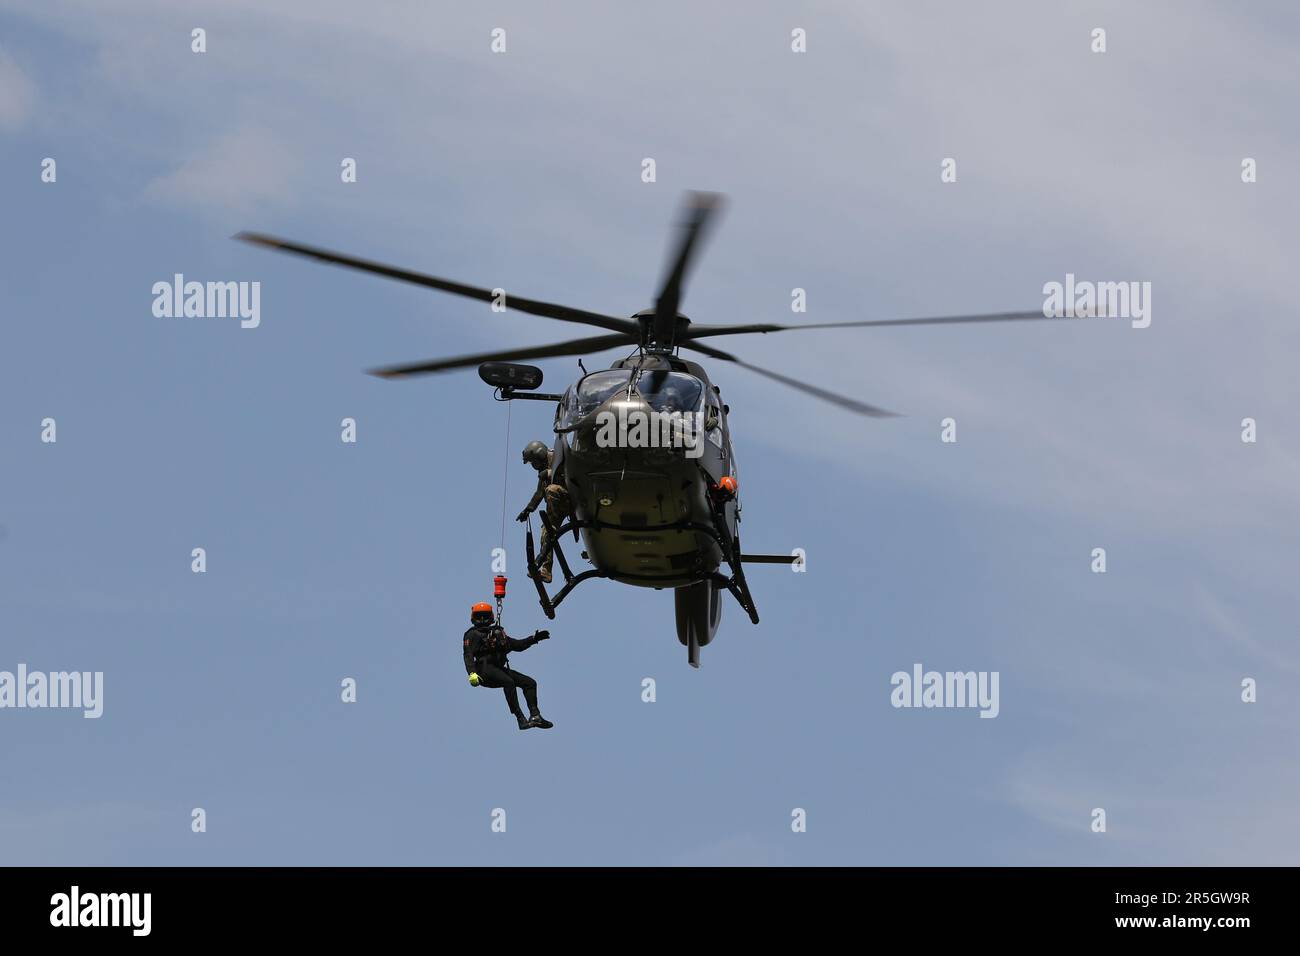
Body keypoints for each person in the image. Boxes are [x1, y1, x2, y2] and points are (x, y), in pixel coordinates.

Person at [463, 602, 554, 730]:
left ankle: (535, 716)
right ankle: (520, 718)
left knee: (529, 683)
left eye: (485, 616)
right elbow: (468, 655)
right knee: (509, 682)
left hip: (498, 669)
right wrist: (471, 673)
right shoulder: (472, 634)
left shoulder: (498, 632)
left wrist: (533, 639)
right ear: (474, 618)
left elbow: (517, 645)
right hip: (484, 671)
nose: (482, 619)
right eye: (480, 616)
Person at [516, 440, 570, 584]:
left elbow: (573, 472)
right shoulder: (543, 470)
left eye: (533, 462)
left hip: (572, 498)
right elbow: (539, 493)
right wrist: (527, 510)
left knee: (551, 489)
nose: (533, 466)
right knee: (546, 532)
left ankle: (542, 560)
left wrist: (551, 472)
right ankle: (546, 571)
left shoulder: (559, 457)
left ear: (539, 455)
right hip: (558, 506)